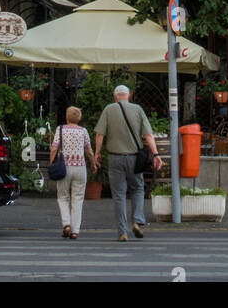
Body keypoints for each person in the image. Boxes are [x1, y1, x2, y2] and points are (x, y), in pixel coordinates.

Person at [94, 84, 162, 241]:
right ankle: (137, 220)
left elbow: (99, 135)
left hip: (114, 157)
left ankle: (122, 232)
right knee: (138, 188)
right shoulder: (138, 109)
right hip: (134, 158)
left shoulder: (108, 109)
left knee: (119, 195)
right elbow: (148, 135)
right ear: (128, 95)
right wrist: (156, 154)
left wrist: (97, 153)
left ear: (115, 96)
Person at [49, 105, 96, 239]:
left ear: (66, 117)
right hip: (80, 168)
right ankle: (75, 230)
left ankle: (66, 224)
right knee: (78, 198)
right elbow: (89, 150)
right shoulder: (83, 131)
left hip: (64, 167)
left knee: (63, 196)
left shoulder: (61, 129)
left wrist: (52, 162)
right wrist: (93, 164)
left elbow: (54, 148)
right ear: (79, 118)